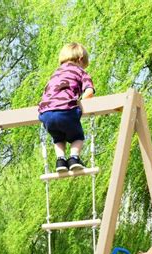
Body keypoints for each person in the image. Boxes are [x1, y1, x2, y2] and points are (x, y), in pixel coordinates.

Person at [38, 42, 95, 173]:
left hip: (45, 113)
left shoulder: (54, 74)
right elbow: (89, 92)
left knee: (58, 137)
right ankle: (74, 158)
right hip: (65, 109)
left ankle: (60, 160)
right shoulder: (81, 72)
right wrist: (81, 104)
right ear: (81, 59)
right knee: (77, 136)